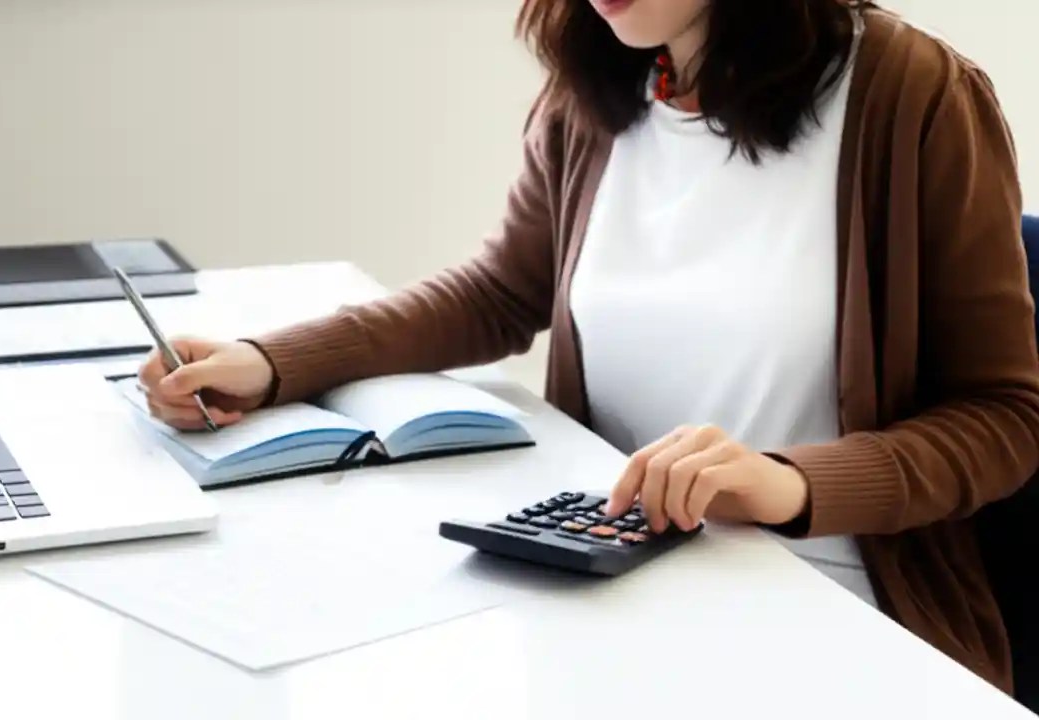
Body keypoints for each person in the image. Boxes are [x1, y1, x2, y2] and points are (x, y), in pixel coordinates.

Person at [138, 0, 1039, 697]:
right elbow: (500, 292)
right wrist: (273, 361)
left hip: (823, 596)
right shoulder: (600, 82)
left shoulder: (909, 95)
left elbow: (1003, 418)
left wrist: (789, 482)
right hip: (607, 573)